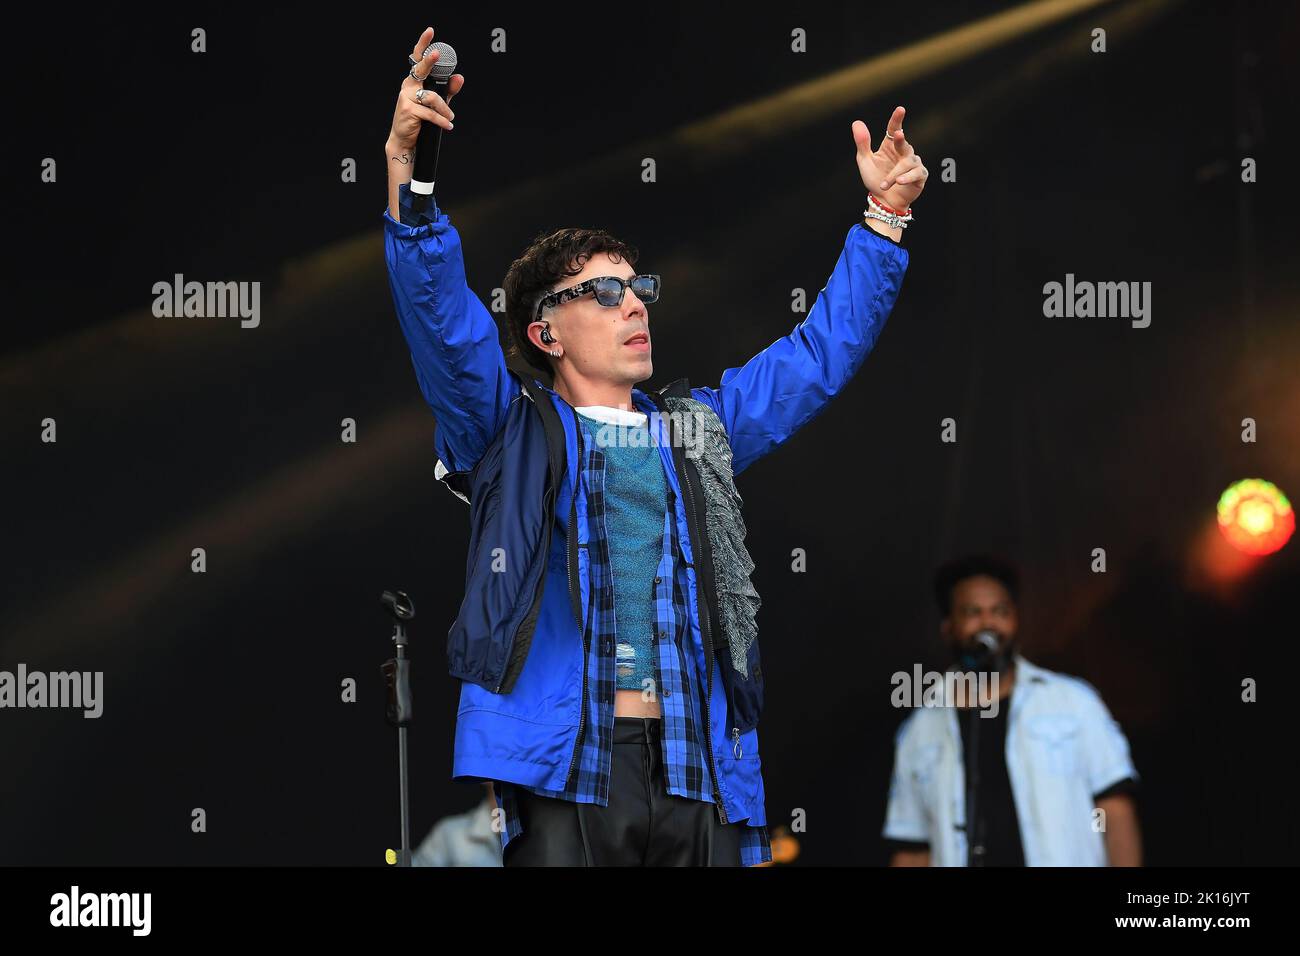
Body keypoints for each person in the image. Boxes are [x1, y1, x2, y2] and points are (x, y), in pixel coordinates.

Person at [384, 26, 923, 866]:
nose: (633, 305)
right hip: (570, 768)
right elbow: (447, 332)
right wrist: (414, 186)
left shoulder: (694, 428)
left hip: (698, 766)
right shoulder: (509, 429)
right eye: (602, 293)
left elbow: (814, 360)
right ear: (545, 331)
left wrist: (884, 217)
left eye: (638, 288)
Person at [883, 555, 1142, 866]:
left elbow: (1114, 812)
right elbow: (913, 849)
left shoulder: (1074, 703)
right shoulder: (919, 730)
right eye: (973, 613)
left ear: (1016, 620)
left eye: (1000, 611)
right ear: (948, 628)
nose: (988, 623)